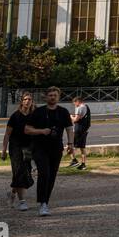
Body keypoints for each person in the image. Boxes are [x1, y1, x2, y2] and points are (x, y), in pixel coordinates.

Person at [24, 86, 73, 216]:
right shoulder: (38, 112)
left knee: (51, 176)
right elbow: (27, 129)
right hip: (40, 148)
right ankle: (42, 203)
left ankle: (46, 201)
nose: (52, 97)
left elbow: (69, 128)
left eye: (55, 95)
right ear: (46, 97)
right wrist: (41, 131)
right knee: (44, 174)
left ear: (58, 97)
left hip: (56, 148)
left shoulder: (63, 112)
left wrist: (70, 144)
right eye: (50, 95)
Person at [2, 91, 36, 210]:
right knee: (18, 171)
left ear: (32, 102)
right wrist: (4, 150)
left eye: (29, 99)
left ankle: (12, 194)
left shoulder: (34, 116)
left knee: (25, 172)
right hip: (15, 147)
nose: (27, 101)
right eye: (25, 99)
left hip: (28, 148)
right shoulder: (15, 116)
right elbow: (7, 134)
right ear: (21, 101)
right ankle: (22, 201)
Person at [68, 96, 91, 170]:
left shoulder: (79, 108)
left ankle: (74, 160)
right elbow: (81, 117)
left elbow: (75, 120)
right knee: (82, 147)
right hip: (84, 129)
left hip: (78, 130)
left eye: (74, 103)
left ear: (77, 101)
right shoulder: (86, 107)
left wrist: (70, 116)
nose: (74, 105)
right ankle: (83, 164)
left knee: (69, 145)